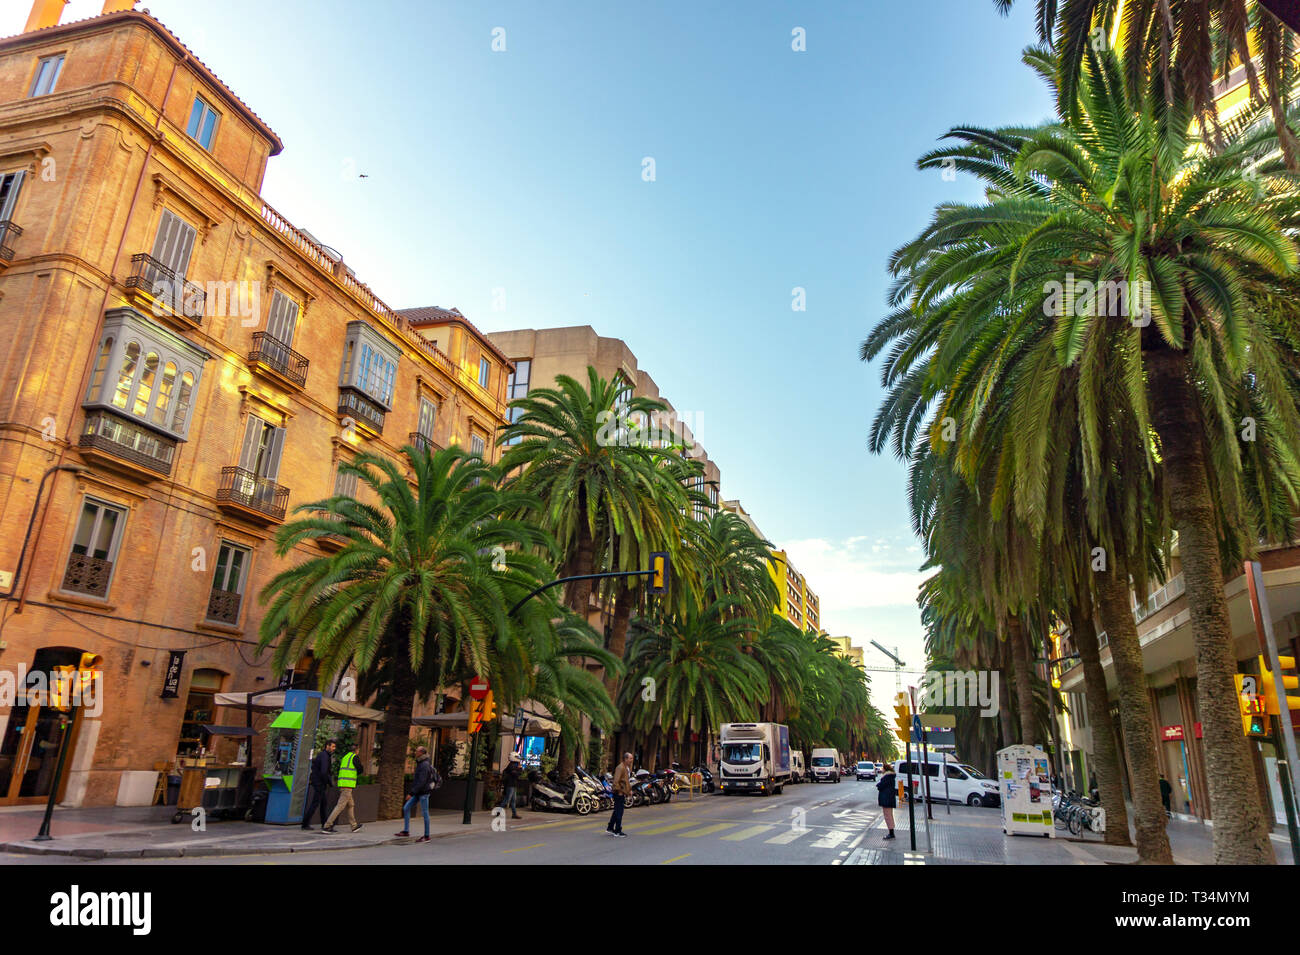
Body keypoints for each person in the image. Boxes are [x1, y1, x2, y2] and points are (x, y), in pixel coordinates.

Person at [321, 741, 363, 833]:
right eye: (358, 750)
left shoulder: (345, 757)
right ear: (356, 750)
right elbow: (360, 769)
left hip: (343, 784)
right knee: (340, 806)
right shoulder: (354, 757)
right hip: (348, 785)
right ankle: (327, 825)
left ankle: (354, 825)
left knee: (351, 805)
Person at [396, 746, 434, 842]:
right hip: (418, 792)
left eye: (417, 751)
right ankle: (406, 830)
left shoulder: (424, 764)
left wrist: (411, 793)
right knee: (406, 808)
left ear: (421, 752)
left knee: (425, 813)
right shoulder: (421, 763)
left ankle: (426, 835)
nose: (415, 752)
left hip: (423, 793)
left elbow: (421, 781)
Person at [302, 739, 336, 830]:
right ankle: (307, 824)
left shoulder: (324, 755)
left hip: (319, 782)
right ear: (327, 746)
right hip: (320, 783)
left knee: (322, 804)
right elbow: (324, 771)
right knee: (316, 803)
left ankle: (324, 824)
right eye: (332, 746)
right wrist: (328, 782)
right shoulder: (324, 756)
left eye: (334, 747)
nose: (334, 748)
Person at [608, 752, 633, 838]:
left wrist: (629, 790)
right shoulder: (620, 768)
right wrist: (619, 791)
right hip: (619, 793)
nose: (631, 760)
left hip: (622, 792)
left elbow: (626, 781)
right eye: (630, 758)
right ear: (625, 759)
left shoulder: (626, 768)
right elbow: (616, 782)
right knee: (619, 812)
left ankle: (610, 827)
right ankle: (617, 830)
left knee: (617, 811)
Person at [876, 762, 897, 840]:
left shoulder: (887, 777)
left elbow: (881, 785)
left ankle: (891, 833)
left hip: (887, 798)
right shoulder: (890, 776)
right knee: (889, 815)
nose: (882, 770)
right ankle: (891, 831)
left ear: (885, 769)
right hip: (889, 798)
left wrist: (878, 785)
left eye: (883, 768)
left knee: (888, 816)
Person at [498, 754, 523, 819]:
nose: (519, 758)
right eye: (517, 757)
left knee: (513, 800)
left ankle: (514, 814)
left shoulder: (513, 765)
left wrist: (519, 769)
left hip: (513, 784)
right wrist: (520, 769)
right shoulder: (512, 766)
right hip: (510, 785)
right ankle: (499, 811)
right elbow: (516, 774)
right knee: (507, 799)